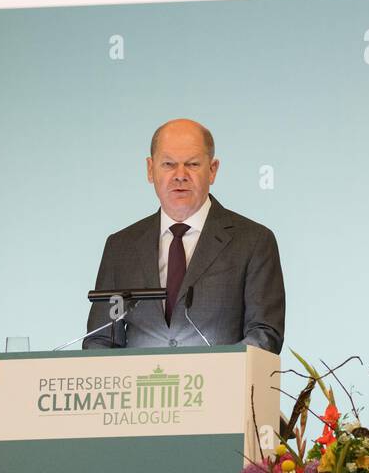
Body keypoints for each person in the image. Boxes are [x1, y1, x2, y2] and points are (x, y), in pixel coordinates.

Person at [83, 119, 285, 354]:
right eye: (168, 164)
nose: (180, 175)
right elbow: (100, 340)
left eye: (192, 164)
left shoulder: (254, 241)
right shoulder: (121, 247)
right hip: (143, 389)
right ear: (150, 169)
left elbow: (264, 334)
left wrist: (211, 373)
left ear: (213, 170)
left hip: (220, 387)